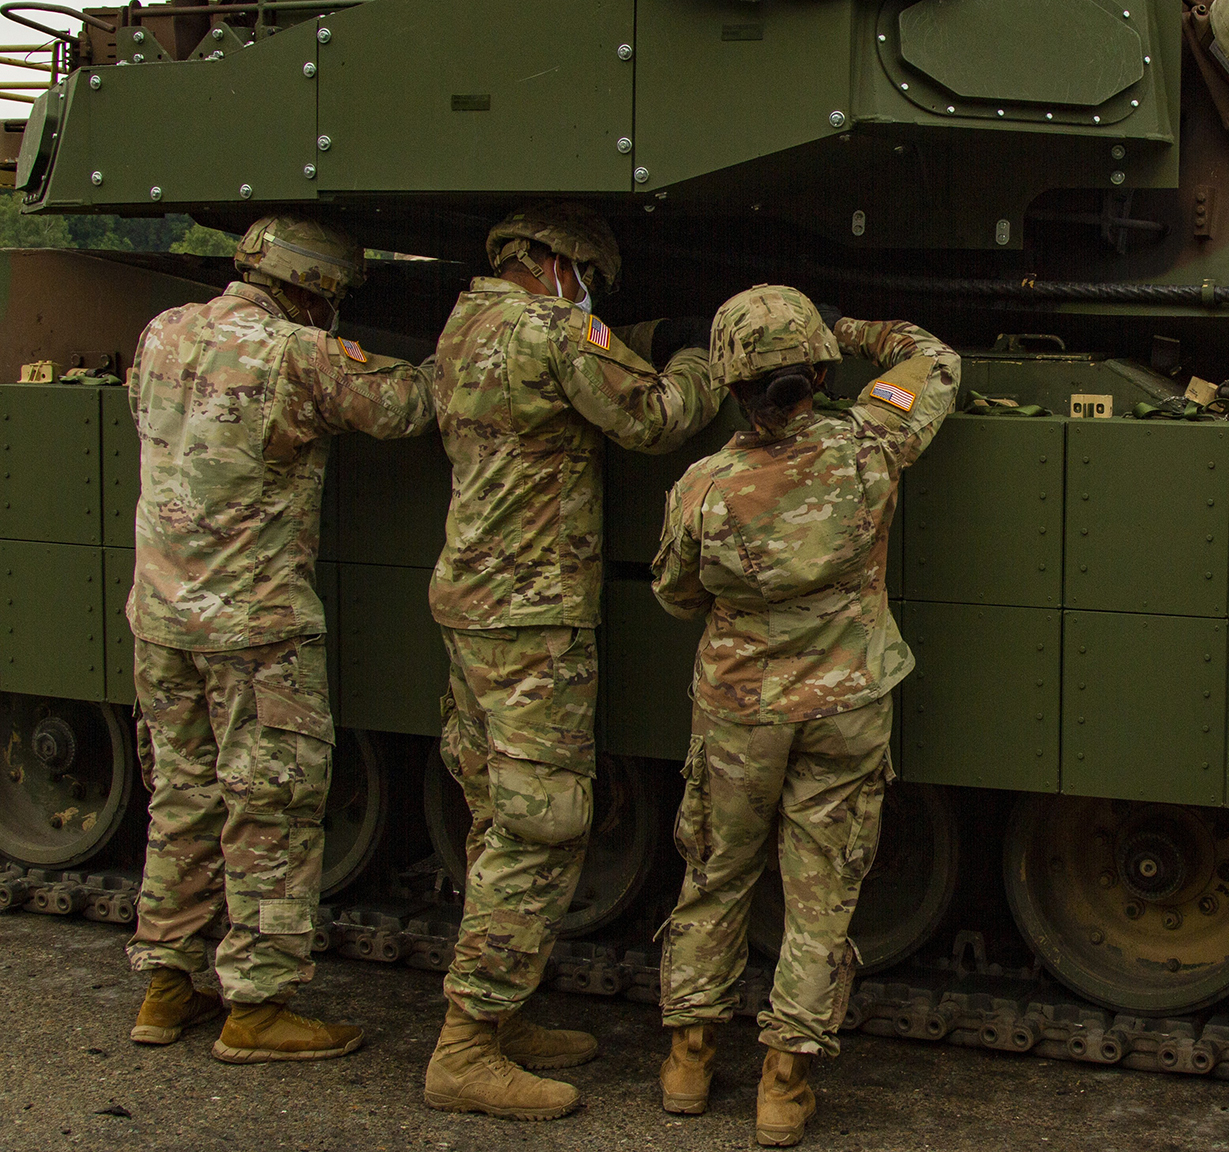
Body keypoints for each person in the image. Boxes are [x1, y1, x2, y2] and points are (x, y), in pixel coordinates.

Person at [421, 202, 726, 1120]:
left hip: (474, 601)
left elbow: (589, 357)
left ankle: (502, 1018)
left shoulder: (466, 320)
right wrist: (702, 357)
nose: (589, 296)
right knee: (542, 827)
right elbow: (655, 416)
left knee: (496, 814)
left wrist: (635, 337)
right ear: (562, 267)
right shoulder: (554, 330)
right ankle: (466, 1048)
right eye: (590, 281)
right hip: (533, 616)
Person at [650, 286, 958, 1147]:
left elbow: (676, 595)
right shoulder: (871, 444)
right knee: (822, 893)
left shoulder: (703, 486)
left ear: (729, 385)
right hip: (847, 705)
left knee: (716, 874)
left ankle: (688, 1061)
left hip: (739, 713)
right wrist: (849, 328)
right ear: (818, 373)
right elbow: (934, 359)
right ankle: (783, 1085)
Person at [125, 215, 435, 1062]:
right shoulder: (298, 354)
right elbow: (409, 405)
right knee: (272, 811)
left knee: (183, 798)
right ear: (317, 292)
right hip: (254, 630)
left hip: (161, 616)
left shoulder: (163, 331)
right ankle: (257, 1007)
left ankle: (166, 984)